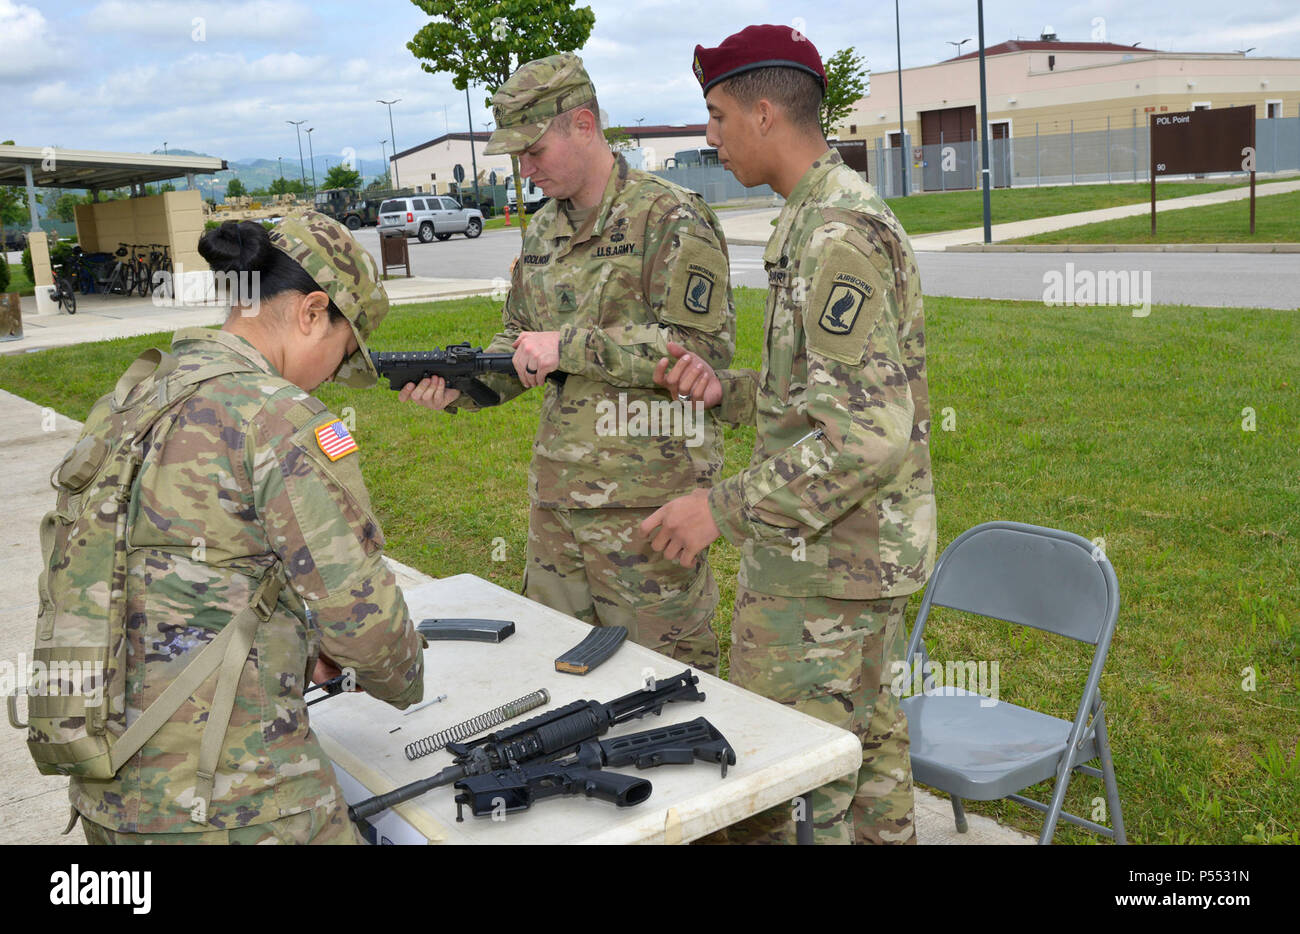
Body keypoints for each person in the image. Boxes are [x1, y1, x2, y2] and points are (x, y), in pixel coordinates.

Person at [642, 25, 937, 844]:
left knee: (783, 793)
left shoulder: (834, 236)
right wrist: (728, 392)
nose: (710, 136)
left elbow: (865, 439)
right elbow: (826, 399)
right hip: (852, 564)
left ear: (764, 113)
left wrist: (720, 510)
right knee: (870, 764)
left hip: (822, 580)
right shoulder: (822, 220)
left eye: (715, 115)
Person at [71, 213, 425, 844]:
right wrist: (405, 679)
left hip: (108, 786)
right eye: (342, 356)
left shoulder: (133, 397)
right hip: (240, 803)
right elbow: (366, 623)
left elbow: (170, 572)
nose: (329, 378)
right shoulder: (279, 416)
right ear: (314, 312)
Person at [399, 53, 736, 674]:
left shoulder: (670, 217)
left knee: (663, 679)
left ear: (583, 125)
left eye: (533, 151)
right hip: (559, 500)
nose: (524, 170)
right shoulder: (543, 229)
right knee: (553, 675)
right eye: (516, 158)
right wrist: (466, 387)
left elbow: (704, 356)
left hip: (649, 506)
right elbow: (522, 341)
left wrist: (570, 345)